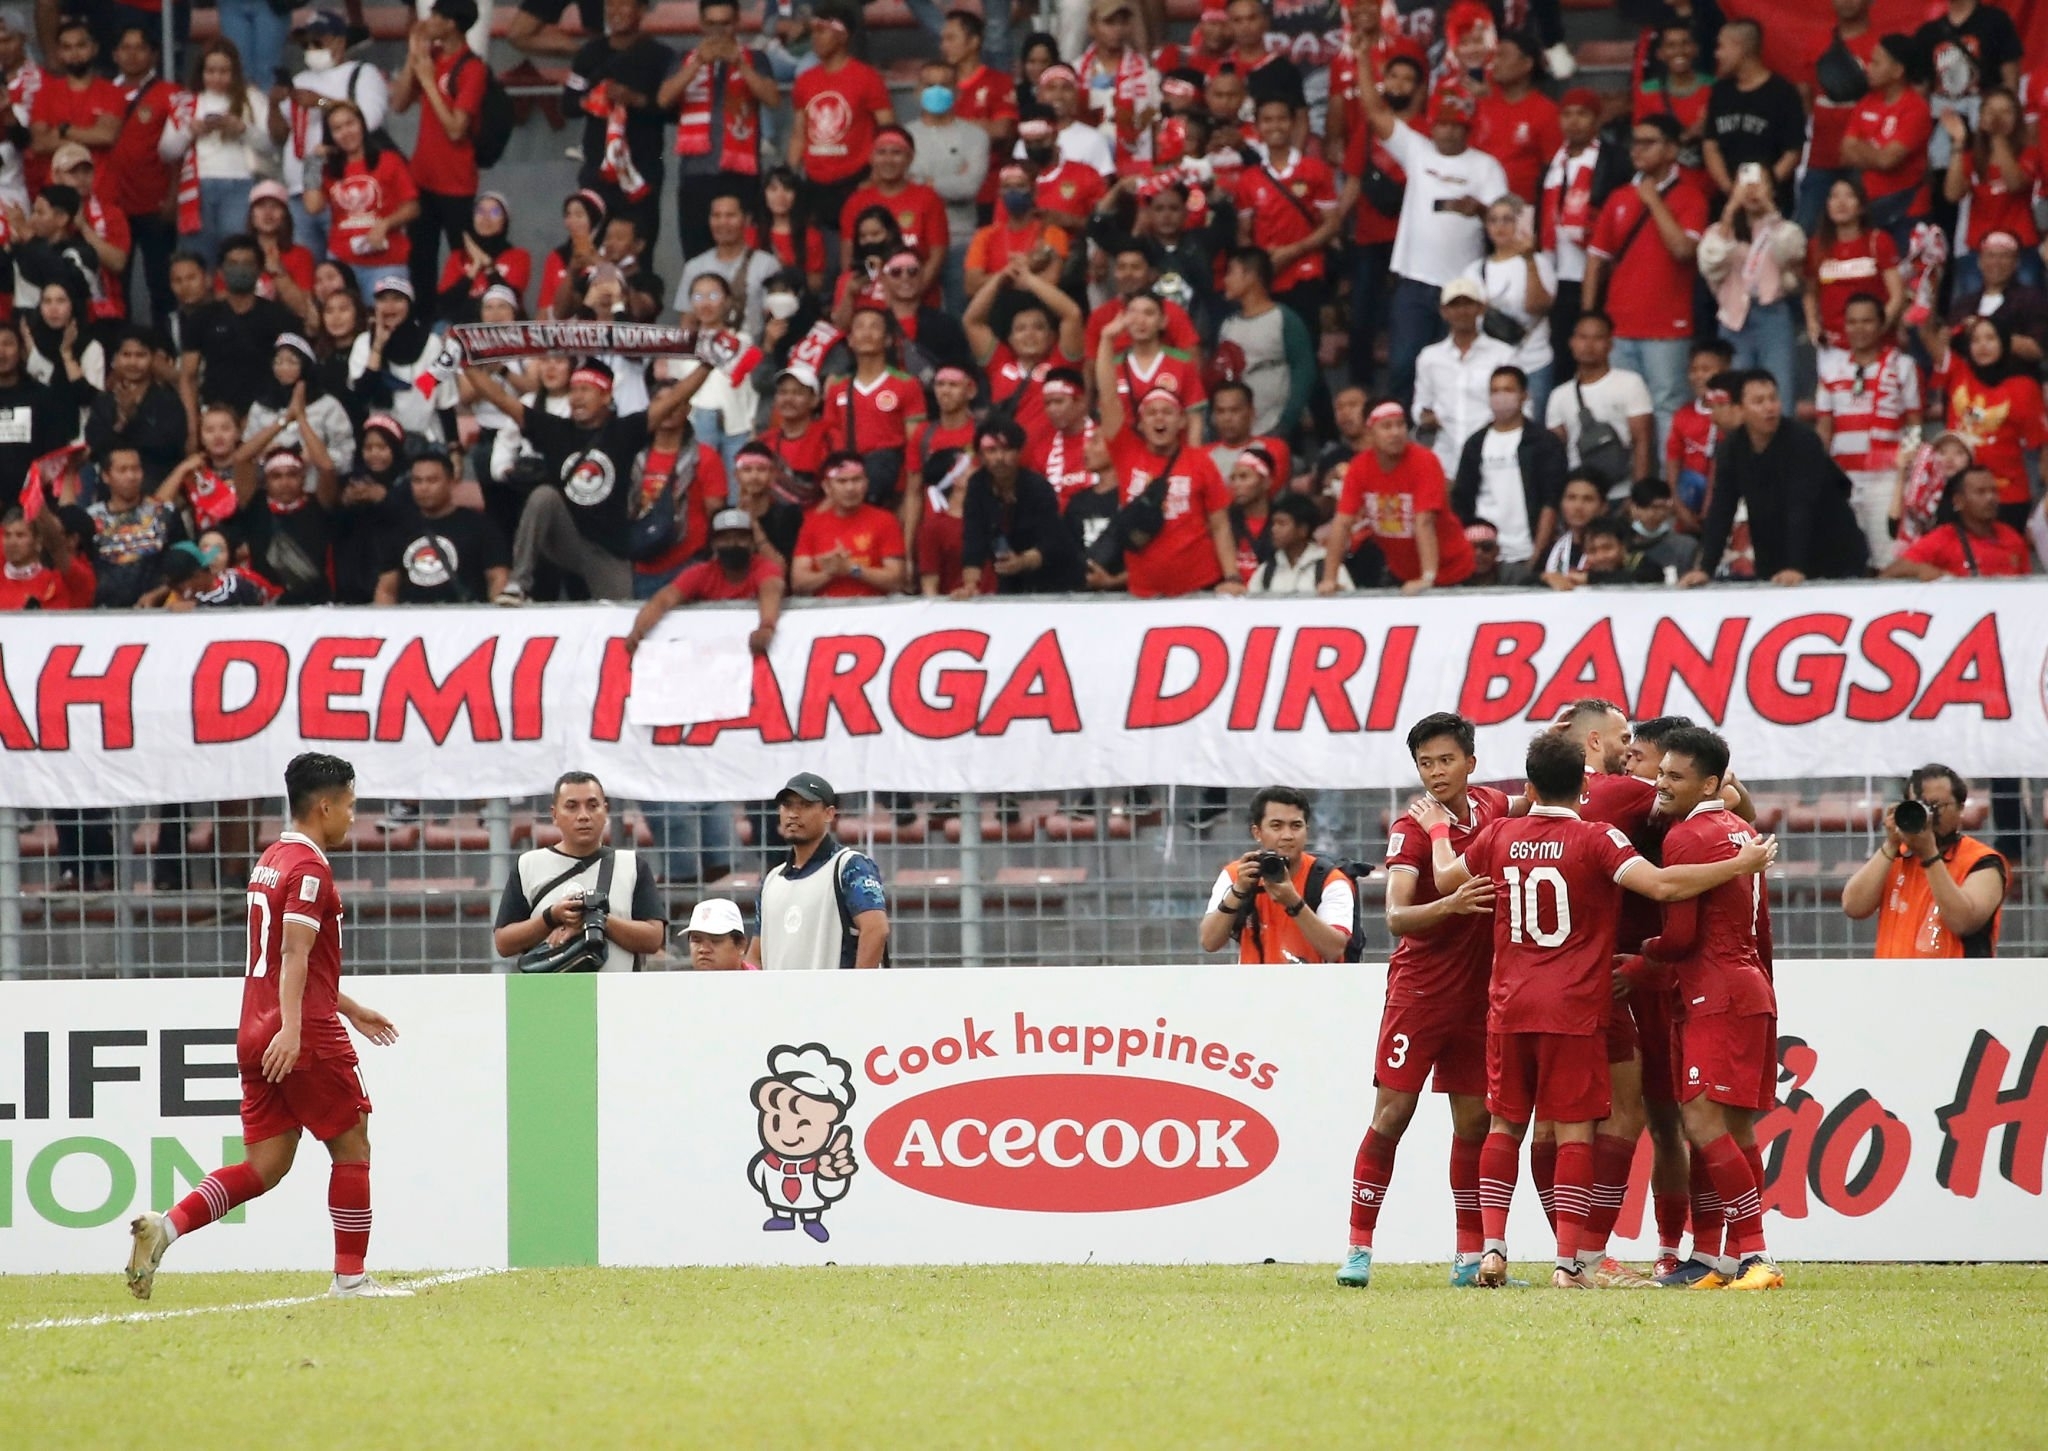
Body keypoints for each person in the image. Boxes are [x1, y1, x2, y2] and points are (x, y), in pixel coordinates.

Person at [1415, 728, 1776, 1289]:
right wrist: (1736, 865)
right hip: (1577, 1006)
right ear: (1585, 784)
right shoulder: (1599, 838)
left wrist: (1439, 830)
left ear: (1529, 786)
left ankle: (1491, 1250)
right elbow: (1661, 887)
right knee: (1578, 1131)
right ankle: (1572, 1262)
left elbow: (1444, 877)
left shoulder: (1498, 835)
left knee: (1505, 1126)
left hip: (1508, 1003)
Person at [124, 753, 408, 1302]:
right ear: (325, 806)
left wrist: (348, 1006)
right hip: (297, 1033)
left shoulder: (272, 859)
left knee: (265, 1165)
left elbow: (280, 960)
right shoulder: (309, 869)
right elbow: (295, 952)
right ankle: (351, 1278)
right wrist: (298, 1030)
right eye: (350, 806)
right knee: (352, 1145)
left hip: (256, 1028)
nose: (353, 817)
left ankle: (169, 1226)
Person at [1336, 714, 1502, 1289]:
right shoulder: (1410, 828)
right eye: (1425, 763)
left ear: (1470, 763)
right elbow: (1396, 917)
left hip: (1480, 999)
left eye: (1445, 760)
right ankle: (1358, 1249)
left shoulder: (1496, 808)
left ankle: (1468, 1258)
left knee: (1474, 1126)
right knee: (1391, 1117)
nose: (1435, 773)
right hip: (1420, 995)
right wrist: (1448, 910)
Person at [1639, 725, 1786, 1291]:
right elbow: (1761, 929)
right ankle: (1720, 1259)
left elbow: (1679, 936)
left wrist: (1638, 957)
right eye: (1662, 772)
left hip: (1712, 992)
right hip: (1747, 988)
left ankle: (1755, 1256)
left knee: (1699, 1121)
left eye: (1675, 776)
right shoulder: (1741, 832)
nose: (1662, 783)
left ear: (1708, 782)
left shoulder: (1685, 839)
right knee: (1735, 1131)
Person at [464, 357, 709, 604]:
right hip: (565, 536)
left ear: (606, 397)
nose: (576, 397)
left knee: (622, 617)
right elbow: (501, 399)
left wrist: (708, 365)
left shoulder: (624, 431)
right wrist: (465, 365)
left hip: (608, 549)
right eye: (573, 390)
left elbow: (675, 399)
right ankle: (518, 583)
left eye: (585, 390)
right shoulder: (554, 429)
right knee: (544, 495)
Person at [1353, 70, 1508, 405]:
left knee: (1454, 368)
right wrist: (1364, 59)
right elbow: (1376, 111)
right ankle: (1400, 429)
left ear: (1467, 127)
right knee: (1403, 363)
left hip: (1463, 286)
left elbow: (1509, 226)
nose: (1447, 131)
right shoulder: (1417, 151)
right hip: (1414, 280)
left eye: (1456, 125)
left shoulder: (1487, 167)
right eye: (1442, 123)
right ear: (1432, 124)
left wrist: (1480, 211)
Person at [1093, 309, 1241, 598]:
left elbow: (1220, 525)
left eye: (1168, 412)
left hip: (1199, 587)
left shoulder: (1201, 461)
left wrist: (1232, 576)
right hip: (1143, 591)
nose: (1159, 419)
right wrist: (1107, 339)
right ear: (1140, 422)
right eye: (1151, 413)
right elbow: (1108, 396)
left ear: (1182, 421)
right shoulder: (1126, 451)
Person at [1583, 114, 1706, 459]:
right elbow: (1596, 259)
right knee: (1622, 411)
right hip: (1620, 325)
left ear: (1672, 150)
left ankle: (1667, 495)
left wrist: (1652, 200)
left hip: (1668, 327)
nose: (1637, 150)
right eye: (1634, 142)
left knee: (1667, 408)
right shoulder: (1619, 196)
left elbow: (1683, 249)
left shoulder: (1690, 196)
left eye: (1648, 142)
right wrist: (1589, 315)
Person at [1684, 371, 1871, 585]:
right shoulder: (1731, 448)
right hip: (1774, 554)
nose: (1769, 407)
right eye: (1758, 401)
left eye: (1773, 398)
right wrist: (1706, 568)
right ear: (1739, 409)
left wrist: (1795, 567)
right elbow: (1722, 509)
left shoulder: (1802, 441)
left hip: (1832, 549)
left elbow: (1801, 506)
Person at [493, 771, 669, 974]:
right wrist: (551, 917)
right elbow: (503, 942)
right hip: (548, 998)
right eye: (571, 806)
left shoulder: (632, 866)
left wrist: (597, 919)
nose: (583, 816)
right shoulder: (528, 865)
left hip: (618, 998)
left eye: (593, 806)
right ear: (554, 815)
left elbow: (654, 938)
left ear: (605, 811)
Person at [1842, 763, 2008, 958]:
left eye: (1938, 806)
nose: (1929, 815)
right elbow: (1853, 906)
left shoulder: (1983, 862)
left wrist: (1930, 854)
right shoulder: (1897, 855)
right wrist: (1890, 845)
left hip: (1956, 984)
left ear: (1960, 807)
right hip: (1894, 983)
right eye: (1920, 806)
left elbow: (1962, 921)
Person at [390, 0, 488, 309]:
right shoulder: (429, 58)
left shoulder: (472, 68)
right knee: (421, 259)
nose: (428, 20)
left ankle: (466, 315)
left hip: (456, 182)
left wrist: (430, 82)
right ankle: (425, 321)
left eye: (436, 15)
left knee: (465, 256)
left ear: (451, 24)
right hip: (423, 177)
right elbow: (399, 103)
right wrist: (414, 57)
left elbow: (456, 129)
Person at [1324, 400, 1476, 594]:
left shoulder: (1425, 461)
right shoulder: (1360, 467)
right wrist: (1329, 579)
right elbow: (1342, 522)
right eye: (1386, 427)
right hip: (1402, 573)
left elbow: (1425, 521)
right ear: (1370, 433)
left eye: (1400, 424)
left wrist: (1427, 577)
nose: (1395, 433)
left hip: (1453, 572)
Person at [274, 11, 389, 268]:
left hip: (343, 189)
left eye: (318, 42)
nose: (311, 49)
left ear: (339, 41)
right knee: (304, 269)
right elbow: (280, 134)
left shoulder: (363, 73)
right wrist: (274, 105)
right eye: (306, 45)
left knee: (345, 268)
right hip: (299, 190)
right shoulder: (300, 80)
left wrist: (321, 102)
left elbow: (367, 119)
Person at [1815, 291, 1922, 565]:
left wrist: (1905, 472)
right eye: (1852, 322)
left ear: (1881, 324)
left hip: (1885, 481)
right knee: (1845, 561)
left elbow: (1914, 425)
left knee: (1888, 560)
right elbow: (1824, 431)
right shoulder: (1830, 370)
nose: (1859, 329)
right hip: (1843, 480)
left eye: (1866, 321)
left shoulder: (1903, 366)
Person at [1199, 785, 1353, 967]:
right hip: (1253, 990)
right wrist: (1238, 892)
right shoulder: (1236, 874)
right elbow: (1209, 942)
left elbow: (1334, 950)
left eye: (1296, 826)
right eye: (1276, 826)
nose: (1287, 835)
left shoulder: (1329, 880)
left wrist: (1294, 903)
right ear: (1257, 832)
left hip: (1314, 989)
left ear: (1306, 830)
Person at [564, 0, 674, 254]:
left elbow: (673, 111)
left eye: (624, 6)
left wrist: (635, 99)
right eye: (610, 6)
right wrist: (590, 100)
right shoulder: (589, 53)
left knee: (639, 252)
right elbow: (568, 103)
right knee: (588, 248)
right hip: (596, 170)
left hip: (642, 172)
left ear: (642, 10)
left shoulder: (660, 56)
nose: (616, 13)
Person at [1921, 311, 2048, 530]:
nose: (1982, 346)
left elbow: (2043, 443)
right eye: (1975, 340)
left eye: (1990, 338)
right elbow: (1927, 333)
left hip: (2004, 496)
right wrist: (1962, 327)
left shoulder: (2024, 386)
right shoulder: (1958, 371)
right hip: (1957, 495)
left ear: (2004, 341)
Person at [790, 3, 896, 264]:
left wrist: (875, 177)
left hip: (855, 181)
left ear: (843, 35)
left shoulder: (866, 77)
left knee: (855, 260)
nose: (815, 38)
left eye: (822, 31)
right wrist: (791, 175)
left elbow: (889, 131)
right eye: (813, 32)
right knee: (818, 262)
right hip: (815, 184)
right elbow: (798, 133)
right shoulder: (805, 80)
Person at [754, 773, 891, 971]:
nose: (793, 813)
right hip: (780, 1001)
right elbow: (756, 954)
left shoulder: (850, 866)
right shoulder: (771, 880)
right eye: (787, 805)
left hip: (835, 1000)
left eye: (805, 805)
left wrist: (859, 994)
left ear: (829, 814)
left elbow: (876, 930)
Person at [1697, 169, 1806, 405]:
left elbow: (1793, 253)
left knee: (1779, 393)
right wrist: (1730, 211)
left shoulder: (1785, 229)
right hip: (1733, 319)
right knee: (1734, 396)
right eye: (1745, 183)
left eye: (1760, 183)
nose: (1752, 190)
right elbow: (1710, 262)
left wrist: (1769, 211)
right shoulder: (1719, 231)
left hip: (1773, 315)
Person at [1452, 365, 1565, 585]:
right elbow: (1463, 499)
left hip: (1527, 551)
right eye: (1494, 391)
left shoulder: (1544, 442)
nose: (1500, 396)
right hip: (1484, 555)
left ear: (1524, 395)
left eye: (1507, 390)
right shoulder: (1475, 443)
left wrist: (1537, 554)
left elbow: (1550, 502)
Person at [626, 507, 784, 657]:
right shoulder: (701, 572)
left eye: (740, 538)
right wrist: (638, 630)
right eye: (726, 539)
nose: (733, 544)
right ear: (714, 544)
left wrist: (766, 627)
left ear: (751, 542)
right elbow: (664, 599)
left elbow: (771, 590)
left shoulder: (765, 567)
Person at [303, 99, 420, 297]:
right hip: (342, 260)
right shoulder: (329, 170)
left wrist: (385, 224)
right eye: (337, 128)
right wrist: (313, 164)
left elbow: (413, 207)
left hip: (387, 261)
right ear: (330, 135)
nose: (346, 132)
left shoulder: (389, 160)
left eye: (350, 124)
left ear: (362, 125)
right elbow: (313, 207)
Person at [959, 418, 1081, 595]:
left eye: (1007, 449)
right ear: (981, 456)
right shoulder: (977, 486)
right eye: (991, 451)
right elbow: (973, 538)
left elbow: (1052, 541)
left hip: (1054, 578)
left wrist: (1022, 562)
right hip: (1009, 578)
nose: (1000, 458)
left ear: (1019, 452)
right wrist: (970, 585)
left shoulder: (1037, 487)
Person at [374, 448, 511, 605]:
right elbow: (386, 589)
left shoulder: (480, 526)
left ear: (451, 482)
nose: (424, 487)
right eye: (417, 481)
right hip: (411, 622)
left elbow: (498, 578)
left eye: (432, 480)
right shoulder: (398, 529)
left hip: (466, 620)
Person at [909, 59, 991, 315]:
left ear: (956, 91)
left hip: (961, 238)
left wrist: (923, 180)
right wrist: (948, 181)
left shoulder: (976, 136)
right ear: (917, 91)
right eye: (929, 84)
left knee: (961, 315)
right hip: (915, 239)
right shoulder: (904, 136)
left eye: (944, 85)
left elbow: (968, 187)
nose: (937, 91)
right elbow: (902, 185)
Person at [1413, 277, 1517, 477]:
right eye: (1454, 305)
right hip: (1446, 458)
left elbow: (1521, 406)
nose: (1462, 311)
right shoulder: (1430, 357)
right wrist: (1426, 416)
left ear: (1480, 308)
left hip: (1493, 455)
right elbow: (1420, 405)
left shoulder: (1503, 354)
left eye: (1468, 304)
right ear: (1444, 312)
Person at [1464, 196, 1557, 418]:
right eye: (1493, 220)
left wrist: (1529, 260)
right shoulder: (1473, 270)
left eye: (1507, 220)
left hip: (1533, 358)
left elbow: (1537, 306)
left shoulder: (1540, 262)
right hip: (1492, 361)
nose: (1500, 226)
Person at [1840, 33, 1934, 249]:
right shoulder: (1866, 102)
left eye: (1876, 62)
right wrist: (1875, 151)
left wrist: (1861, 148)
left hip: (1906, 214)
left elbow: (1888, 161)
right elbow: (1845, 153)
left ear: (1898, 70)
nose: (1868, 67)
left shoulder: (1915, 108)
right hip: (1868, 209)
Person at [1545, 311, 1654, 495]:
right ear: (1571, 342)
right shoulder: (1559, 395)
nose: (1588, 345)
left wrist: (1638, 495)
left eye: (1598, 338)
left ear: (1610, 344)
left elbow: (1642, 442)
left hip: (1623, 491)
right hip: (1578, 494)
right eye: (1583, 337)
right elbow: (1555, 452)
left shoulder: (1630, 383)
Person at [1702, 20, 1804, 214]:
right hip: (1726, 202)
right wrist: (1731, 190)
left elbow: (1792, 152)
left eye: (1721, 46)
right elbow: (1710, 145)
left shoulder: (1783, 93)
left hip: (1771, 203)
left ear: (1740, 48)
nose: (1717, 54)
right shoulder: (1720, 91)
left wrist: (1763, 189)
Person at [1215, 247, 1315, 443]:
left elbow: (1305, 371)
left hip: (1275, 428)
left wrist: (1286, 422)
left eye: (1231, 273)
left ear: (1251, 276)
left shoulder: (1284, 319)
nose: (1225, 280)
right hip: (1235, 434)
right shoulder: (1228, 325)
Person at [1805, 177, 1905, 351]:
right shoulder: (1816, 246)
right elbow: (1810, 292)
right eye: (1834, 196)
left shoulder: (1879, 241)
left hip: (1878, 345)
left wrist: (1876, 329)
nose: (1841, 203)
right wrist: (1812, 323)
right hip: (1833, 346)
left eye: (1849, 196)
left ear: (1862, 206)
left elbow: (1897, 295)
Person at [792, 450, 910, 598]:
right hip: (825, 612)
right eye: (842, 481)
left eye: (856, 480)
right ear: (827, 487)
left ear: (866, 483)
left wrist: (853, 569)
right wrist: (832, 572)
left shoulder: (885, 520)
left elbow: (897, 580)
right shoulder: (811, 523)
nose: (850, 488)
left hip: (874, 611)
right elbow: (798, 582)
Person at [1881, 465, 2034, 578]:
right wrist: (1922, 570)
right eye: (1980, 492)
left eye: (1993, 491)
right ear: (1958, 501)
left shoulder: (2012, 537)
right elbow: (1890, 573)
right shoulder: (1942, 538)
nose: (1990, 498)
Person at [1946, 231, 2048, 362]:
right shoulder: (1963, 304)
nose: (1996, 263)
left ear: (2016, 263)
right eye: (1990, 256)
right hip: (1968, 378)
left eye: (2004, 256)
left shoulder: (2032, 299)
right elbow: (1946, 351)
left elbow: (2038, 349)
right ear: (1980, 262)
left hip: (2015, 376)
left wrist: (1987, 331)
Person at [1248, 493, 1345, 594]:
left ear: (1303, 530)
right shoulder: (1266, 571)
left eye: (1282, 523)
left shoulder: (1328, 568)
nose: (1274, 529)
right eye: (1274, 523)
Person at [684, 898, 755, 971]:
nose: (703, 949)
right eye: (696, 940)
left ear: (741, 944)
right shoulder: (678, 981)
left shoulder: (760, 981)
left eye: (715, 940)